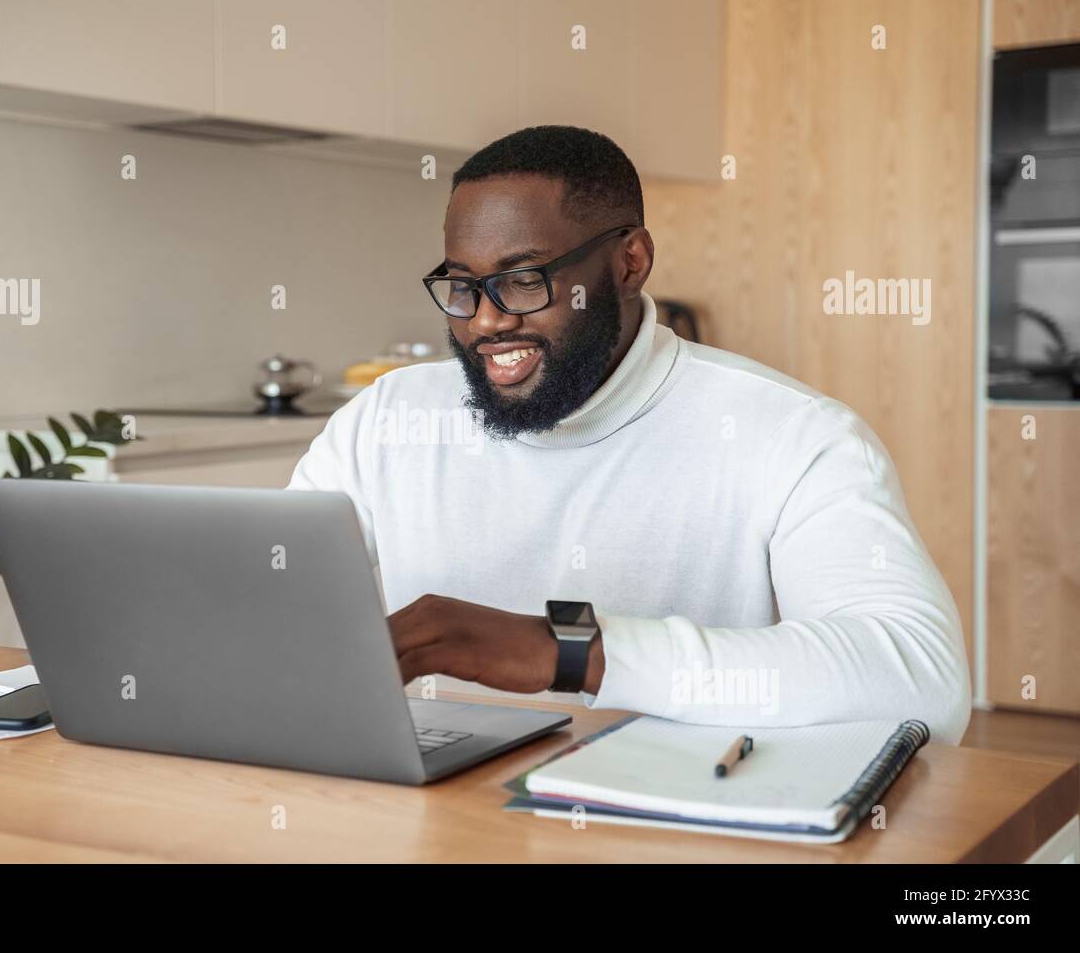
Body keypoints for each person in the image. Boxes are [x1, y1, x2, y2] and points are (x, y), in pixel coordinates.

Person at [288, 125, 970, 744]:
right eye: (463, 286)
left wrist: (569, 649)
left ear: (630, 263)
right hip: (435, 807)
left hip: (675, 809)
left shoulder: (793, 434)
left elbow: (922, 685)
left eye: (523, 281)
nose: (486, 322)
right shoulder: (387, 419)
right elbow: (276, 602)